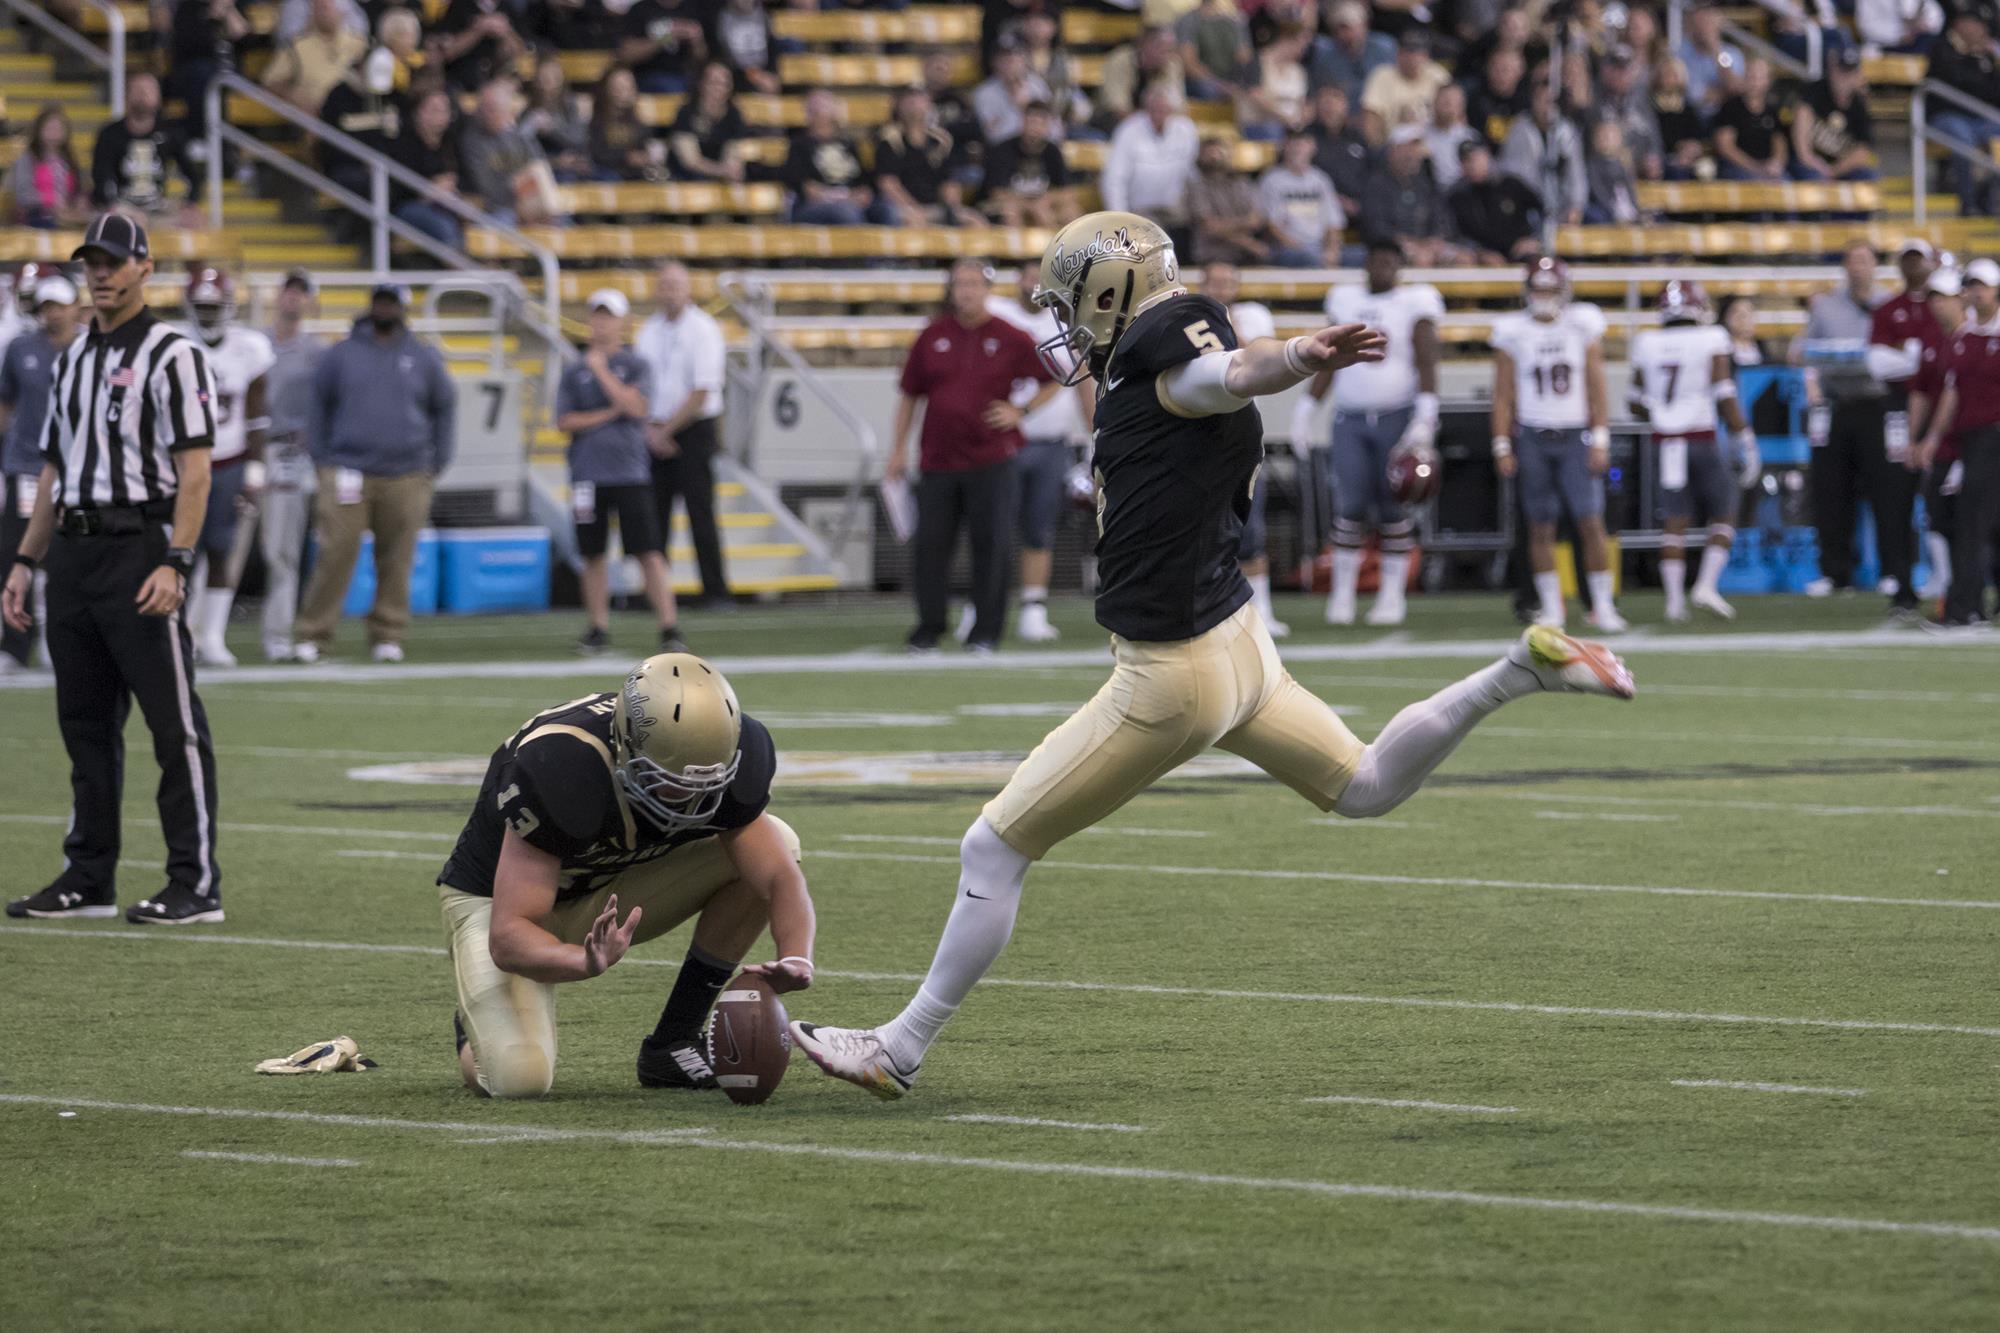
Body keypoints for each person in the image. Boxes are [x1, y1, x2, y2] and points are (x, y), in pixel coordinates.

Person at [787, 210, 1634, 1100]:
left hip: (1172, 673)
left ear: (1113, 297)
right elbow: (1229, 365)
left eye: (1072, 303)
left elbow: (1228, 373)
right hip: (1241, 646)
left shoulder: (1170, 369)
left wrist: (1304, 356)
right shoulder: (1171, 343)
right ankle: (1522, 669)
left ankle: (901, 1045)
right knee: (1367, 783)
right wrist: (1290, 355)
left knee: (992, 849)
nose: (1065, 323)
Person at [436, 653, 817, 1098]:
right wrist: (583, 962)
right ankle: (475, 1028)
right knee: (519, 1080)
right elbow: (510, 932)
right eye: (670, 781)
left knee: (779, 842)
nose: (693, 800)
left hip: (608, 888)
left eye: (711, 784)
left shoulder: (738, 751)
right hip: (502, 906)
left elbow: (778, 878)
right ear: (626, 749)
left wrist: (796, 957)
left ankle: (674, 1041)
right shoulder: (562, 764)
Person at [2, 214, 223, 925]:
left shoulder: (173, 353)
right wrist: (24, 559)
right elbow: (54, 470)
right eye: (91, 261)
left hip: (138, 545)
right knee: (84, 723)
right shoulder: (70, 359)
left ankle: (196, 882)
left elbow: (195, 473)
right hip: (73, 548)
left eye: (113, 261)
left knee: (173, 723)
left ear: (143, 267)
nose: (100, 272)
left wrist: (176, 560)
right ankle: (88, 873)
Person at [890, 259, 1057, 654]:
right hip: (937, 459)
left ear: (987, 290)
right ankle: (929, 628)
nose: (965, 291)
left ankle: (986, 631)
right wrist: (898, 448)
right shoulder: (932, 335)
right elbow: (910, 394)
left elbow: (1054, 377)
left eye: (972, 284)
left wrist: (1021, 411)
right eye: (959, 284)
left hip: (992, 458)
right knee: (930, 546)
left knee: (992, 545)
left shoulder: (1010, 335)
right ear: (950, 289)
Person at [292, 283, 456, 664]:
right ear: (371, 306)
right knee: (336, 552)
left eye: (391, 302)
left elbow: (444, 407)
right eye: (379, 301)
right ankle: (314, 633)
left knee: (398, 557)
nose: (384, 308)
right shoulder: (342, 354)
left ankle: (388, 633)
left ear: (402, 308)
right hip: (348, 469)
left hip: (408, 473)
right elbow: (319, 406)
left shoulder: (423, 356)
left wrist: (436, 461)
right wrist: (322, 460)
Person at [1294, 240, 1441, 626]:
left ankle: (1392, 596)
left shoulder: (1416, 301)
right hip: (1351, 418)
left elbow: (1427, 357)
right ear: (1366, 263)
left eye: (1390, 260)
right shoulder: (1343, 299)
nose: (1382, 267)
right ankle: (1342, 595)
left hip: (1397, 415)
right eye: (1376, 259)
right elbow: (1328, 358)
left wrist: (1426, 415)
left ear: (1400, 267)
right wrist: (1307, 408)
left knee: (1394, 508)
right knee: (1350, 506)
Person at [1491, 256, 1626, 631]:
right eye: (1539, 289)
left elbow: (1597, 387)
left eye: (1551, 289)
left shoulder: (1581, 326)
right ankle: (1552, 608)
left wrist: (1600, 438)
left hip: (1574, 436)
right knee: (1540, 526)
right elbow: (1502, 395)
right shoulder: (1512, 331)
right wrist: (1501, 444)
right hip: (1533, 435)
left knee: (1590, 521)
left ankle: (1602, 606)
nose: (1544, 296)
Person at [561, 290, 684, 658]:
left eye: (608, 316)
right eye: (596, 316)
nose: (601, 323)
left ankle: (669, 626)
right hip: (587, 473)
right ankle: (598, 626)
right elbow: (565, 420)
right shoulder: (572, 370)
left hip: (630, 472)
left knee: (648, 550)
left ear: (622, 322)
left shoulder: (636, 365)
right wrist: (610, 411)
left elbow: (637, 407)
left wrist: (600, 371)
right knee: (592, 552)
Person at [1627, 280, 1760, 622]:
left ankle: (1674, 603)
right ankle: (1705, 585)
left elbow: (1634, 402)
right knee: (1726, 510)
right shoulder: (1711, 337)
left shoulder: (1647, 342)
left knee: (1674, 521)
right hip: (1700, 437)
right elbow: (1724, 392)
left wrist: (1662, 415)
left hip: (1666, 441)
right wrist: (1744, 436)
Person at [990, 260, 1097, 643]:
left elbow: (1083, 382)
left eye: (1041, 277)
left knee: (1040, 528)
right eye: (1028, 276)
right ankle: (982, 605)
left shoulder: (1068, 324)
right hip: (1000, 440)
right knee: (992, 528)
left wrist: (1096, 436)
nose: (1034, 283)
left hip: (1052, 441)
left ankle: (1033, 608)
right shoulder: (996, 316)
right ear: (1016, 280)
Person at [174, 267, 274, 668]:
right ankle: (180, 634)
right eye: (201, 306)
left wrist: (255, 471)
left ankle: (212, 636)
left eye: (214, 307)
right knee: (180, 551)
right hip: (182, 464)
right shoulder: (174, 344)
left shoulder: (248, 348)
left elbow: (257, 418)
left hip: (229, 460)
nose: (208, 314)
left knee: (220, 550)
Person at [1796, 239, 1893, 601]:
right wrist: (1813, 393)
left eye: (1865, 260)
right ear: (1844, 266)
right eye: (1852, 261)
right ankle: (1836, 572)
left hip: (1878, 402)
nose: (1858, 267)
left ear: (1875, 265)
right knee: (1832, 492)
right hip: (1836, 404)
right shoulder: (1826, 306)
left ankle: (1892, 570)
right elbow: (1805, 353)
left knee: (1887, 492)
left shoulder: (1888, 304)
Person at [0, 274, 82, 671]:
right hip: (27, 464)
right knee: (17, 553)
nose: (52, 313)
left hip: (77, 468)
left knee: (65, 555)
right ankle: (15, 644)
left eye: (59, 305)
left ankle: (59, 639)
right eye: (46, 305)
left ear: (74, 307)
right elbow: (5, 404)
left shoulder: (90, 347)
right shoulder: (20, 348)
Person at [637, 262, 731, 609]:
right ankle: (656, 594)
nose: (669, 291)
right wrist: (651, 429)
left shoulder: (703, 329)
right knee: (654, 516)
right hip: (655, 428)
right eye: (663, 284)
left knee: (700, 512)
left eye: (675, 284)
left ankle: (715, 590)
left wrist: (667, 430)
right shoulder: (649, 330)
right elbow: (642, 385)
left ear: (688, 289)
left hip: (692, 430)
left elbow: (701, 390)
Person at [1202, 260, 1287, 637]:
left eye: (1227, 281)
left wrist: (1223, 319)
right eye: (1214, 282)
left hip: (1240, 436)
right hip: (1199, 435)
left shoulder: (1252, 316)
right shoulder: (1184, 320)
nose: (1221, 288)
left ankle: (1262, 610)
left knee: (1250, 528)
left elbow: (1255, 359)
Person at [1914, 258, 2000, 627]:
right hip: (1973, 439)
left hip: (1995, 435)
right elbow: (1951, 393)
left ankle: (1963, 608)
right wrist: (1933, 437)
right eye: (1972, 285)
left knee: (1976, 523)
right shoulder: (1964, 339)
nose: (1976, 292)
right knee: (1974, 522)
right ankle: (1968, 605)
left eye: (1983, 285)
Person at [1867, 238, 1944, 617]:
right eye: (1907, 260)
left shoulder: (1944, 304)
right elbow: (1878, 364)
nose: (1913, 267)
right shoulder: (1888, 309)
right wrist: (1921, 357)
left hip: (1945, 406)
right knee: (1895, 494)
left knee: (1949, 496)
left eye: (1919, 260)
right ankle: (1901, 584)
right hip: (1899, 408)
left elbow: (1948, 359)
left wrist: (1908, 353)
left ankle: (1952, 581)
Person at [259, 269, 324, 664]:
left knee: (282, 551)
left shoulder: (318, 353)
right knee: (220, 547)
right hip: (241, 451)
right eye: (290, 290)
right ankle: (199, 634)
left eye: (302, 293)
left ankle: (277, 635)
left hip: (287, 453)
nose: (293, 298)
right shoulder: (252, 342)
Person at [1907, 265, 1963, 608]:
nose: (1938, 304)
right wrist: (1915, 438)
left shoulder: (1975, 337)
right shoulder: (1932, 342)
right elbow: (1922, 393)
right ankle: (1947, 580)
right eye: (1934, 298)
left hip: (1972, 440)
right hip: (1944, 443)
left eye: (1944, 297)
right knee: (1938, 512)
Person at [873, 87, 982, 228]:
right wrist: (914, 209)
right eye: (908, 99)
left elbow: (949, 182)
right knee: (914, 222)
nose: (914, 102)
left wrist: (952, 209)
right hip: (903, 207)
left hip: (934, 207)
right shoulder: (889, 139)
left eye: (919, 97)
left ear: (929, 104)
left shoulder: (941, 141)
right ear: (897, 105)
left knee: (974, 221)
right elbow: (888, 184)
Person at [90, 73, 195, 217]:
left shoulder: (170, 133)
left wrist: (188, 203)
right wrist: (116, 206)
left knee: (194, 220)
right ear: (127, 95)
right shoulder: (110, 134)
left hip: (158, 207)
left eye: (148, 90)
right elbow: (101, 178)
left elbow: (192, 174)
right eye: (137, 90)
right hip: (120, 207)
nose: (143, 95)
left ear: (158, 97)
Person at [458, 77, 558, 226]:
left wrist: (530, 199)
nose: (488, 114)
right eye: (484, 108)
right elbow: (487, 188)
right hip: (495, 208)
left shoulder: (517, 135)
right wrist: (518, 194)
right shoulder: (471, 140)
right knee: (505, 222)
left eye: (494, 109)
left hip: (529, 203)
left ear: (506, 110)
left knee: (560, 220)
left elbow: (539, 166)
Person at [1102, 84, 1201, 229]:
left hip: (1178, 210)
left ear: (1172, 110)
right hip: (1141, 211)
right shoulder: (1128, 129)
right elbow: (1114, 178)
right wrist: (1120, 219)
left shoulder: (1186, 129)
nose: (1159, 114)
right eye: (1154, 109)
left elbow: (1193, 174)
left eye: (1164, 110)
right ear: (1146, 109)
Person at [1358, 124, 1455, 265]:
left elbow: (1442, 218)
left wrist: (1436, 238)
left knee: (1463, 259)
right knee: (1421, 259)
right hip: (1389, 247)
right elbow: (1375, 227)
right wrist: (1405, 242)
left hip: (1426, 244)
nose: (1413, 154)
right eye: (1407, 148)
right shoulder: (1375, 184)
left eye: (1416, 149)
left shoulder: (1425, 184)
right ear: (1392, 151)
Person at [1500, 78, 1585, 226]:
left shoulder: (1566, 130)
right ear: (1533, 101)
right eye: (1541, 100)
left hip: (1562, 206)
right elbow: (1516, 177)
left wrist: (1576, 206)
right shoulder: (1520, 129)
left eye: (1552, 101)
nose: (1547, 107)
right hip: (1528, 206)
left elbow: (1576, 174)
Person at [782, 88, 873, 225]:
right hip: (811, 207)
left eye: (824, 105)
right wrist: (844, 198)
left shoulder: (849, 144)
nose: (819, 111)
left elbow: (864, 183)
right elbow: (806, 188)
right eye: (814, 106)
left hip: (850, 202)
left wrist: (861, 195)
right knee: (846, 212)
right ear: (807, 113)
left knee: (886, 210)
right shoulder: (798, 145)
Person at [260, 0, 369, 114]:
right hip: (316, 118)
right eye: (321, 8)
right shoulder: (296, 47)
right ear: (313, 12)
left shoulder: (359, 44)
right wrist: (293, 97)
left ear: (343, 13)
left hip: (356, 114)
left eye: (330, 6)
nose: (326, 12)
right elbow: (270, 83)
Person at [1258, 129, 1347, 267]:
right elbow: (1271, 226)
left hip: (1319, 247)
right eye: (1293, 143)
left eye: (1302, 143)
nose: (1298, 148)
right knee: (1309, 258)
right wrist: (1305, 249)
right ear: (1285, 147)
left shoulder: (1321, 179)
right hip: (1286, 249)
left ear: (1313, 147)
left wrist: (1332, 251)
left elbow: (1334, 224)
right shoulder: (1271, 180)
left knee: (1361, 255)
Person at [392, 87, 465, 251]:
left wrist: (451, 185)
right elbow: (400, 187)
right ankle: (460, 274)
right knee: (445, 227)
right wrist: (430, 188)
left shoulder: (451, 143)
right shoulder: (404, 144)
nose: (441, 115)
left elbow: (464, 179)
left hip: (448, 203)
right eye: (435, 109)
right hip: (410, 206)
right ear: (419, 113)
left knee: (482, 222)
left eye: (444, 110)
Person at [1447, 139, 1542, 264]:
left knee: (1535, 259)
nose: (1471, 165)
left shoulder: (1511, 184)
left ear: (1487, 156)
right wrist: (1479, 252)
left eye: (1475, 158)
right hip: (1481, 255)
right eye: (1465, 160)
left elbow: (1543, 210)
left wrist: (1534, 238)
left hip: (1518, 249)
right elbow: (1454, 233)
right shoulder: (1457, 195)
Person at [984, 101, 1074, 228]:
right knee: (1011, 211)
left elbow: (1067, 191)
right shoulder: (1003, 150)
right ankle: (1015, 248)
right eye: (1031, 121)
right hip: (1006, 203)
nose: (1035, 128)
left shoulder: (1053, 151)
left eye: (1040, 123)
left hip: (1041, 202)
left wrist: (1046, 200)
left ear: (1048, 126)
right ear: (1022, 122)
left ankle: (1062, 247)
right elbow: (997, 193)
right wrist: (1031, 206)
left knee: (1070, 211)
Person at [1792, 47, 1876, 182]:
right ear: (1831, 70)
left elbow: (1863, 150)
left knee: (1869, 177)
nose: (1844, 78)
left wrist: (1833, 171)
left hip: (1837, 167)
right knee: (1814, 178)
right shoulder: (1814, 90)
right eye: (1841, 71)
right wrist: (1808, 159)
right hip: (1809, 163)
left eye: (1849, 72)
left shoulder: (1859, 105)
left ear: (1857, 75)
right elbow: (1802, 117)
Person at [1186, 137, 1273, 265]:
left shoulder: (1243, 183)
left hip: (1247, 254)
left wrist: (1226, 226)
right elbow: (1210, 227)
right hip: (1212, 254)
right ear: (1200, 157)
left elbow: (1256, 220)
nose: (1214, 157)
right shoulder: (1195, 187)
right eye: (1209, 153)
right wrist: (1248, 242)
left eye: (1218, 152)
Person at [1360, 29, 1451, 146]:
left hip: (1434, 144)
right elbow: (1370, 118)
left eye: (1418, 53)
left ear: (1426, 56)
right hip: (1394, 146)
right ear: (1398, 54)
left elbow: (1456, 112)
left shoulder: (1438, 75)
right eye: (1407, 52)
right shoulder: (1383, 75)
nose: (1412, 58)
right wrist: (1377, 151)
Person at [4, 106, 90, 229]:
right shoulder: (27, 158)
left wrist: (80, 201)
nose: (54, 132)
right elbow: (23, 195)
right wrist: (51, 203)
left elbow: (77, 190)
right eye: (50, 128)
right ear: (39, 129)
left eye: (58, 128)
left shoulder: (69, 159)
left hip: (66, 213)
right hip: (36, 214)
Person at [668, 62, 748, 184]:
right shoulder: (686, 113)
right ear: (701, 84)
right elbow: (690, 161)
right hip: (687, 176)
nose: (719, 89)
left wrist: (730, 170)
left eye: (724, 84)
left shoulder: (733, 114)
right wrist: (721, 171)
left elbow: (733, 153)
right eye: (713, 82)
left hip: (720, 176)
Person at [1095, 27, 1186, 132]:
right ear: (1144, 44)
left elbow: (1177, 107)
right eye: (1161, 48)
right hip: (1111, 120)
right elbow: (1118, 108)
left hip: (1154, 124)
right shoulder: (1119, 60)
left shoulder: (1171, 64)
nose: (1165, 55)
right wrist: (1145, 128)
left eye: (1169, 50)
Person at [1713, 57, 1788, 182]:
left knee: (1789, 187)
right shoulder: (1731, 107)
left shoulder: (1773, 110)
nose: (1753, 81)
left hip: (1767, 167)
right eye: (1750, 75)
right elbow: (1725, 146)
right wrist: (1755, 167)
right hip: (1736, 167)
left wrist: (1777, 164)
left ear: (1768, 81)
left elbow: (1779, 142)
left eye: (1759, 77)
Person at [520, 54, 592, 183]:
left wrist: (553, 130)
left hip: (575, 161)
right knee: (566, 179)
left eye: (554, 75)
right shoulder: (531, 112)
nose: (549, 80)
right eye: (544, 76)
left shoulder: (571, 105)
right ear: (537, 81)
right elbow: (522, 149)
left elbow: (578, 138)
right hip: (549, 166)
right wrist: (555, 161)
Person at [974, 35, 1055, 146]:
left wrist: (1025, 107)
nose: (1010, 64)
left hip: (1038, 150)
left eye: (1015, 58)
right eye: (1004, 59)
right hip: (1003, 154)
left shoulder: (1037, 85)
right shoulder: (984, 93)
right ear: (994, 63)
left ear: (1025, 61)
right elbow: (993, 137)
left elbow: (1056, 132)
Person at [1311, 0, 1394, 105]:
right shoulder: (1325, 57)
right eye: (1338, 28)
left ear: (1364, 25)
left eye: (1348, 27)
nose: (1344, 34)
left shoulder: (1384, 48)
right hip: (1344, 116)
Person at [433, 0, 527, 92]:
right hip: (458, 80)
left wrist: (506, 31)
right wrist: (478, 29)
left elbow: (521, 53)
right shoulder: (460, 5)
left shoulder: (507, 8)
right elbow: (447, 53)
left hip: (494, 82)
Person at [1308, 85, 1372, 217]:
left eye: (1336, 100)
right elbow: (1298, 178)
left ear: (1346, 106)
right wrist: (1333, 199)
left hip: (1359, 207)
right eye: (1325, 102)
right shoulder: (1306, 137)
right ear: (1316, 107)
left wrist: (1361, 203)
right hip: (1317, 207)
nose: (1330, 107)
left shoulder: (1357, 137)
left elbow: (1372, 173)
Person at [619, 0, 707, 94]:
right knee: (673, 87)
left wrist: (697, 40)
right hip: (648, 74)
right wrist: (668, 37)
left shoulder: (692, 9)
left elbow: (701, 59)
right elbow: (627, 54)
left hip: (685, 74)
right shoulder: (640, 9)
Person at [588, 66, 653, 182]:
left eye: (628, 87)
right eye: (618, 87)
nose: (624, 91)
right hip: (605, 171)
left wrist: (645, 157)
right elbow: (595, 153)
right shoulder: (595, 118)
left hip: (634, 173)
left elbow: (643, 146)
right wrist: (626, 157)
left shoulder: (637, 120)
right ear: (606, 89)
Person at [1678, 3, 1744, 114]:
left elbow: (1735, 87)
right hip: (1688, 116)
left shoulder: (1732, 54)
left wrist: (1716, 52)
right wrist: (1724, 94)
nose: (1704, 29)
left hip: (1724, 116)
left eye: (1708, 23)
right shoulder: (1680, 53)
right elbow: (1689, 94)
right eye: (1700, 23)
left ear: (1718, 25)